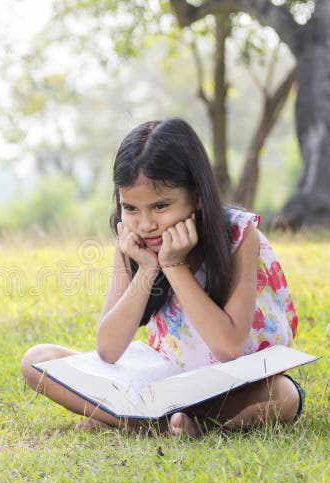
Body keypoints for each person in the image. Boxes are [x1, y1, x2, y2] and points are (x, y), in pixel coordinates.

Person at [20, 119, 303, 437]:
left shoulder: (239, 236)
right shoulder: (131, 242)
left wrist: (173, 266)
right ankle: (157, 422)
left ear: (196, 196)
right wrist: (148, 269)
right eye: (131, 208)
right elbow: (109, 349)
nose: (145, 224)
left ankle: (145, 421)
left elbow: (228, 347)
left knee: (283, 396)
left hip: (231, 385)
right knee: (38, 360)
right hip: (165, 378)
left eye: (161, 206)